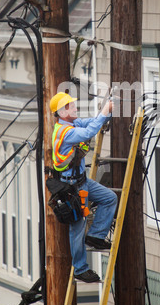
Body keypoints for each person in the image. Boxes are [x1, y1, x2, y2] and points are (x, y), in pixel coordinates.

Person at [49, 91, 118, 283]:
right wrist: (105, 111)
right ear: (62, 112)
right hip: (72, 188)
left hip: (81, 182)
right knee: (77, 228)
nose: (75, 107)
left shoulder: (70, 124)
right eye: (71, 106)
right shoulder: (67, 132)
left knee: (110, 198)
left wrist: (107, 111)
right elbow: (88, 132)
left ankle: (95, 235)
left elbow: (90, 123)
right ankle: (80, 268)